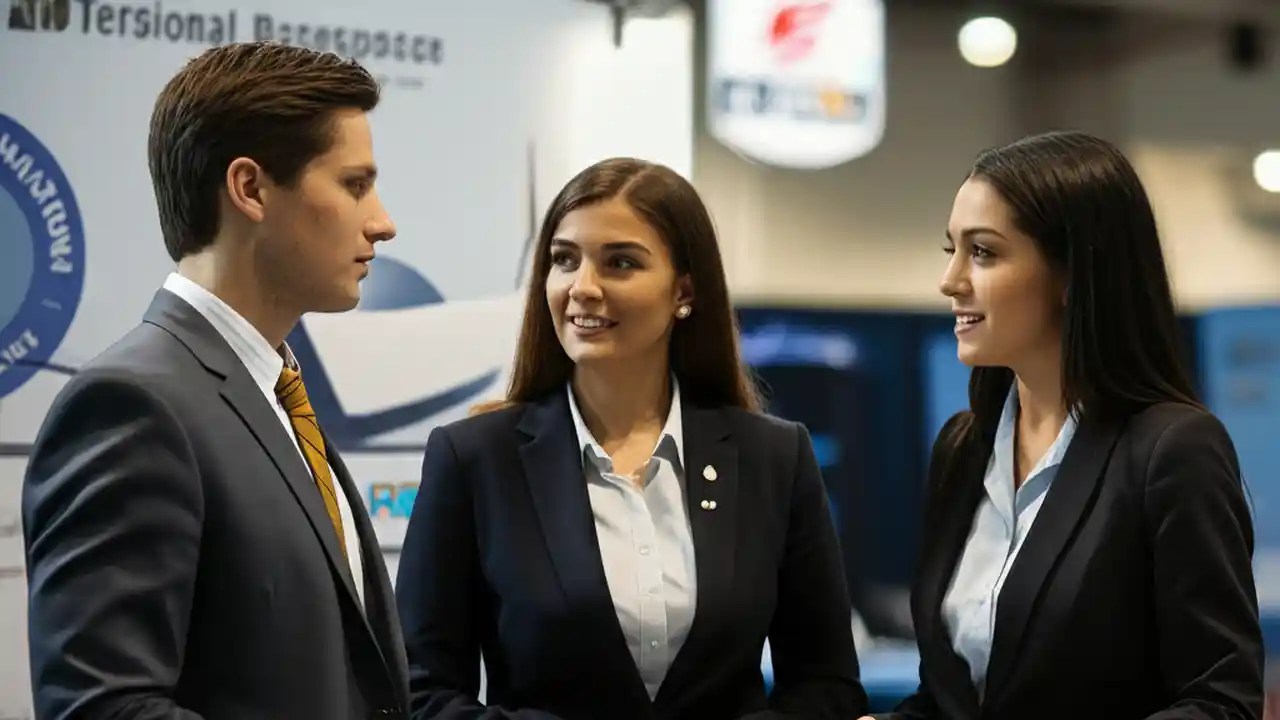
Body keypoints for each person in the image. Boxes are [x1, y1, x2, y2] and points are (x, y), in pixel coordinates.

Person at [394, 157, 868, 719]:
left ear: (684, 289)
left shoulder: (774, 458)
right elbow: (420, 694)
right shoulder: (474, 459)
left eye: (620, 263)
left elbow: (827, 688)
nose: (582, 287)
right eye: (564, 260)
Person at [22, 41, 408, 719]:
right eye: (354, 185)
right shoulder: (132, 406)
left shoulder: (272, 394)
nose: (382, 222)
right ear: (250, 189)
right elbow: (102, 708)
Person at [863, 131, 1264, 720]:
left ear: (1072, 272)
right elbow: (951, 698)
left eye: (983, 252)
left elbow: (1221, 702)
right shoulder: (964, 448)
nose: (950, 280)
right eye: (951, 249)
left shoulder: (1173, 450)